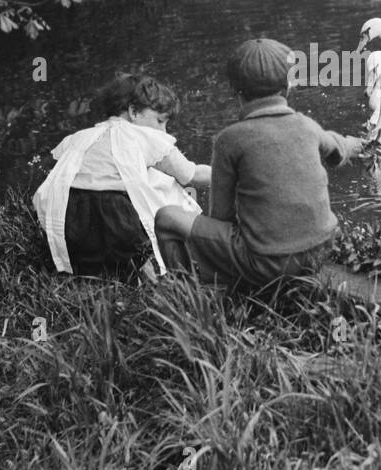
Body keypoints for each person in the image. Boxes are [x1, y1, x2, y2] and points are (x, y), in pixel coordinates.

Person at [154, 37, 366, 293]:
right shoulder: (307, 126)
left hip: (268, 264)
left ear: (236, 91)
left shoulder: (229, 140)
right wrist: (356, 144)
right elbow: (336, 152)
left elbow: (221, 216)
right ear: (288, 87)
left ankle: (186, 296)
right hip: (320, 251)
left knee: (166, 217)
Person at [33, 72, 211, 279]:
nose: (164, 131)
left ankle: (102, 266)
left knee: (148, 177)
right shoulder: (142, 136)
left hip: (70, 223)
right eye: (160, 121)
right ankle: (177, 269)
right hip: (117, 222)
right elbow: (192, 175)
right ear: (133, 112)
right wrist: (231, 172)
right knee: (168, 185)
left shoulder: (81, 137)